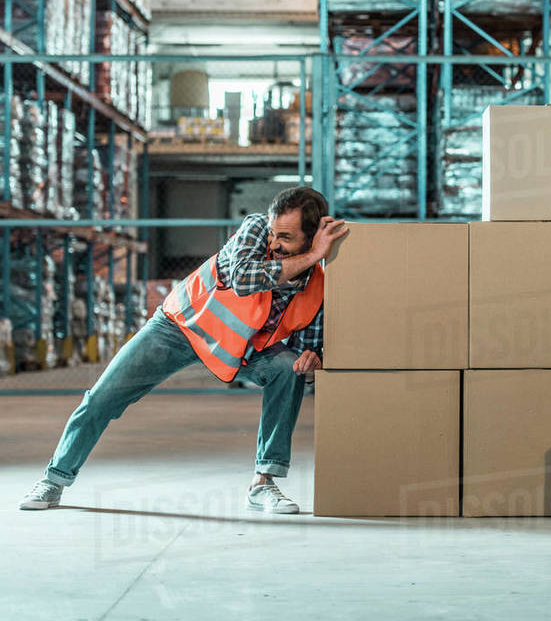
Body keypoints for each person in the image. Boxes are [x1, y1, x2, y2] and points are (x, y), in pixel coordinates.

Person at [18, 186, 349, 514]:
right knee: (105, 396)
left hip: (240, 348)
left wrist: (312, 361)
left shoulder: (319, 287)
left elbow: (307, 352)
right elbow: (242, 278)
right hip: (181, 326)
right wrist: (311, 256)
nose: (274, 243)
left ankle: (264, 483)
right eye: (275, 233)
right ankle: (54, 479)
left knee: (287, 367)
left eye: (286, 237)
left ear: (312, 236)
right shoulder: (256, 228)